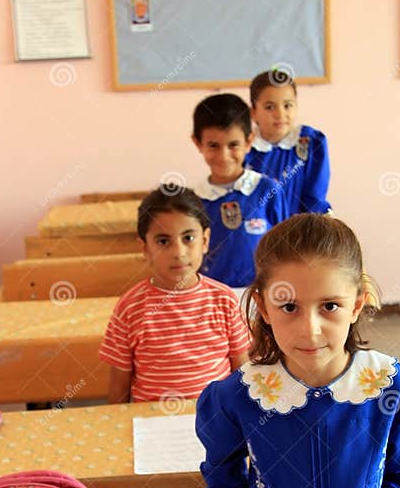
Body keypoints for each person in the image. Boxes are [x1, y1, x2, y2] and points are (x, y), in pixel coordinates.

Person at [194, 213, 400, 488]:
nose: (310, 329)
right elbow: (222, 476)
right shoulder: (240, 395)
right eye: (289, 307)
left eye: (330, 306)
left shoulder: (393, 390)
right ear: (262, 304)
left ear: (357, 304)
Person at [99, 187, 249, 404]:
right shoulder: (129, 308)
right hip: (154, 426)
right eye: (163, 241)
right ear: (145, 248)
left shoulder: (224, 300)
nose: (178, 252)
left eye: (188, 238)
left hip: (216, 423)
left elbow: (241, 374)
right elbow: (118, 391)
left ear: (205, 241)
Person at [192, 93, 287, 289]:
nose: (224, 155)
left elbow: (286, 247)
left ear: (249, 141)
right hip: (211, 299)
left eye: (233, 145)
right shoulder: (194, 201)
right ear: (197, 143)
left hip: (262, 295)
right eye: (213, 145)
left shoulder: (268, 191)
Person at [245, 68, 331, 216]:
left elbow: (315, 196)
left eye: (287, 105)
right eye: (270, 107)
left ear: (296, 106)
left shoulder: (310, 142)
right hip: (259, 230)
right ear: (253, 112)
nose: (280, 114)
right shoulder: (245, 147)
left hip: (300, 229)